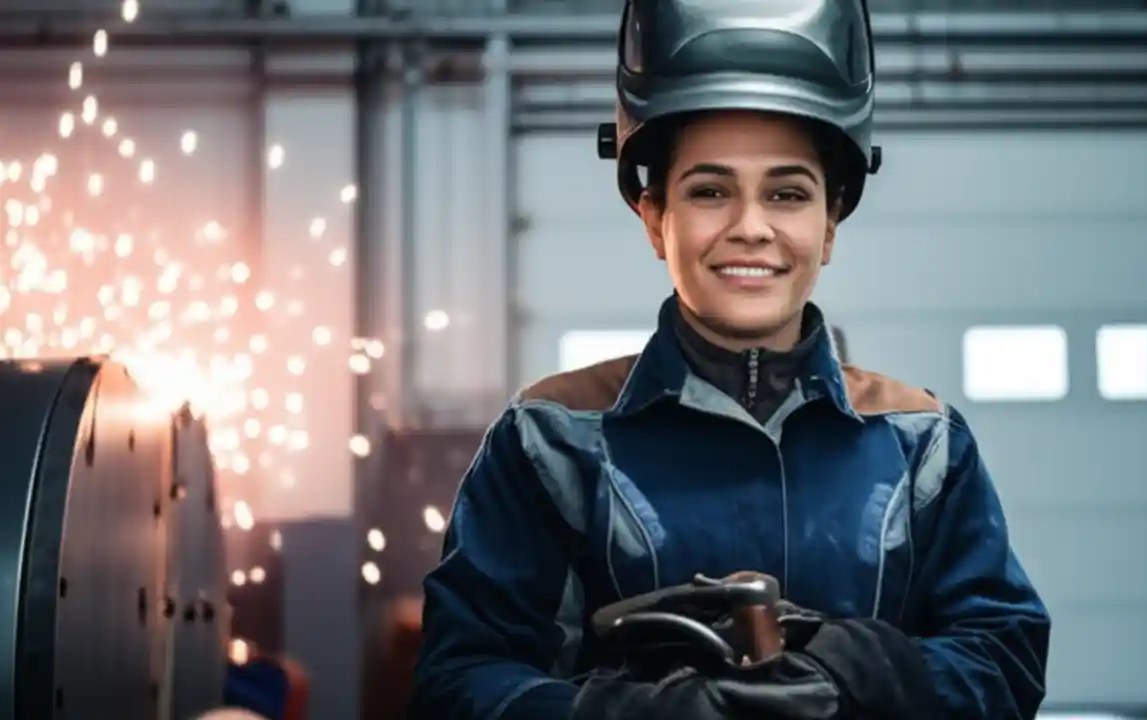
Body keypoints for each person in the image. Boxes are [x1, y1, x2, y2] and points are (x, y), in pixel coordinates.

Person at [411, 1, 1051, 718]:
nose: (751, 227)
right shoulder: (552, 439)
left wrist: (856, 672)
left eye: (787, 193)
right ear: (655, 218)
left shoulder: (920, 445)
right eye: (710, 191)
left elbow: (1003, 657)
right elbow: (458, 680)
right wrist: (635, 714)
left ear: (829, 225)